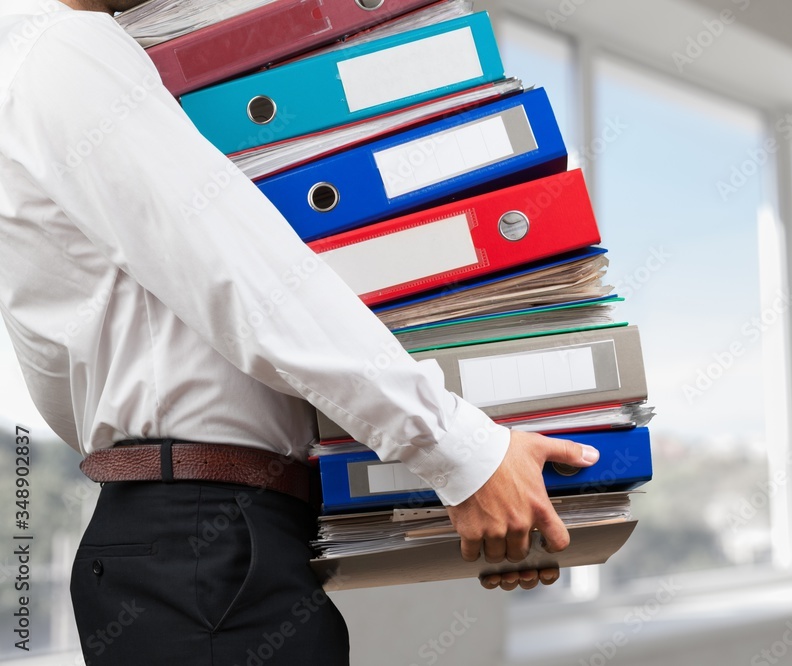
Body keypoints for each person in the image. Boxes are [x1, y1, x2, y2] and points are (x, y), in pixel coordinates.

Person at [0, 0, 601, 663]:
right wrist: (466, 457)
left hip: (161, 534)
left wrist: (479, 497)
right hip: (206, 545)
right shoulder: (62, 46)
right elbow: (244, 271)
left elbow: (55, 375)